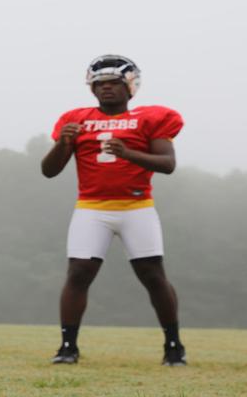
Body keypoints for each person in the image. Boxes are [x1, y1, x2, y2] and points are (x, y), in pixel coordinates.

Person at [39, 55, 186, 366]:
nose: (106, 89)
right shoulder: (76, 119)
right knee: (78, 273)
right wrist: (62, 144)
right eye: (100, 84)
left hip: (137, 207)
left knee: (153, 276)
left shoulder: (151, 118)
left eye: (113, 84)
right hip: (91, 208)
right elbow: (49, 171)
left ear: (129, 86)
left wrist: (128, 153)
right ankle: (68, 347)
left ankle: (173, 346)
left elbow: (168, 164)